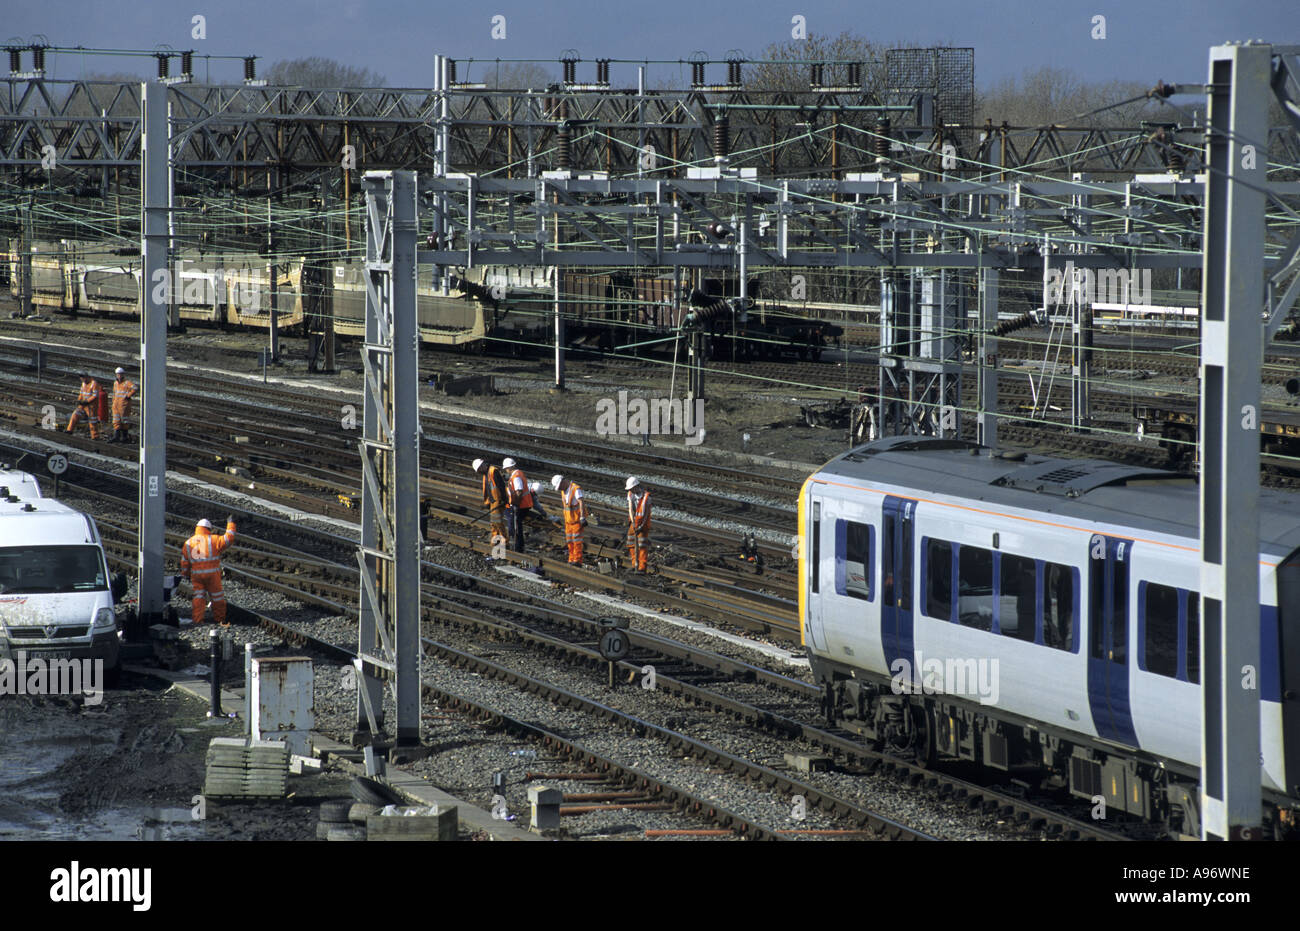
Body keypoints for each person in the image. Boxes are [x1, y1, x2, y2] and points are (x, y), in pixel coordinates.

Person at [181, 515, 237, 626]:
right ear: (208, 529)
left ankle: (198, 619)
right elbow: (228, 538)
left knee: (198, 597)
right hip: (212, 575)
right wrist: (231, 523)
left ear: (197, 528)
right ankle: (219, 619)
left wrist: (185, 574)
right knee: (217, 597)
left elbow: (184, 562)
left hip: (197, 576)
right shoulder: (214, 540)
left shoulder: (189, 542)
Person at [552, 474, 588, 565]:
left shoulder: (575, 489)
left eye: (559, 486)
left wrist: (582, 517)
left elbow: (581, 502)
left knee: (577, 542)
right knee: (570, 542)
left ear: (563, 482)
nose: (559, 489)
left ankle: (577, 560)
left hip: (576, 521)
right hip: (568, 521)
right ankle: (571, 559)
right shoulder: (563, 491)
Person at [472, 458, 507, 550]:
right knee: (494, 523)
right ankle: (496, 542)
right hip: (493, 501)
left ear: (482, 466)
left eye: (479, 470)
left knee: (498, 523)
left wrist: (504, 499)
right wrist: (487, 503)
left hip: (498, 501)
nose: (479, 472)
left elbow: (501, 486)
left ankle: (504, 543)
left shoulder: (493, 471)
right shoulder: (486, 474)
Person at [502, 457, 534, 553]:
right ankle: (518, 546)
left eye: (506, 469)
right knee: (515, 524)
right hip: (520, 504)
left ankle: (518, 548)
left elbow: (519, 491)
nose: (506, 471)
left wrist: (515, 504)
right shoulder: (517, 474)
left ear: (509, 468)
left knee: (515, 526)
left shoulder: (516, 477)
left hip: (520, 505)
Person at [66, 372, 103, 440]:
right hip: (83, 405)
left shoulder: (94, 384)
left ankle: (95, 436)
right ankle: (69, 430)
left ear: (87, 377)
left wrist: (87, 401)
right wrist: (79, 401)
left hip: (91, 406)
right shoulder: (83, 384)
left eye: (83, 378)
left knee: (93, 421)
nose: (82, 379)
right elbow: (81, 394)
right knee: (75, 414)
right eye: (81, 378)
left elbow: (95, 396)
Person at [625, 476, 651, 573]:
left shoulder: (647, 498)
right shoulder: (630, 494)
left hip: (643, 524)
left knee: (642, 545)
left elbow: (646, 514)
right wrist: (633, 522)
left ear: (636, 486)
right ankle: (634, 564)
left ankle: (641, 567)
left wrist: (640, 526)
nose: (630, 490)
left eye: (632, 488)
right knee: (631, 542)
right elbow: (630, 509)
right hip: (634, 522)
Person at [108, 367, 138, 444]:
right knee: (116, 420)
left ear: (123, 374)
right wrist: (113, 402)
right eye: (118, 374)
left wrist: (129, 395)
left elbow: (135, 388)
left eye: (121, 374)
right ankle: (116, 436)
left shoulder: (127, 383)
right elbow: (115, 393)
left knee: (124, 421)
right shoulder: (115, 383)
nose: (119, 376)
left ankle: (124, 437)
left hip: (124, 405)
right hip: (116, 405)